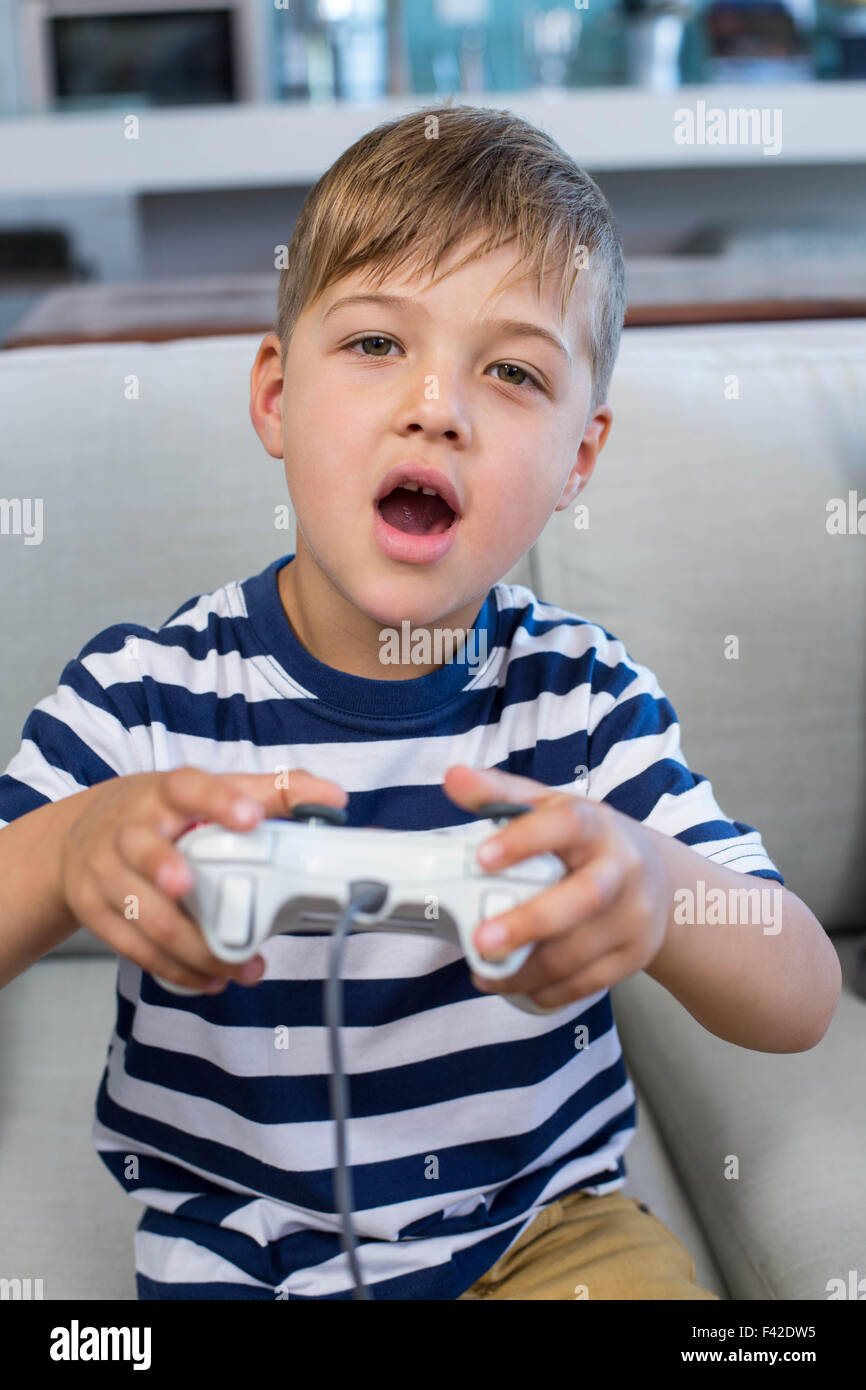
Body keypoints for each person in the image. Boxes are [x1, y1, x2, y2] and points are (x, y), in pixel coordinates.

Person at [0, 104, 840, 1301]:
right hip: (240, 1252)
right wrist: (75, 845)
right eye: (377, 345)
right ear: (277, 399)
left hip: (547, 1235)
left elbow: (801, 993)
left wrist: (651, 890)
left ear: (576, 462)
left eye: (510, 371)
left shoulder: (585, 702)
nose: (436, 404)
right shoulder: (145, 695)